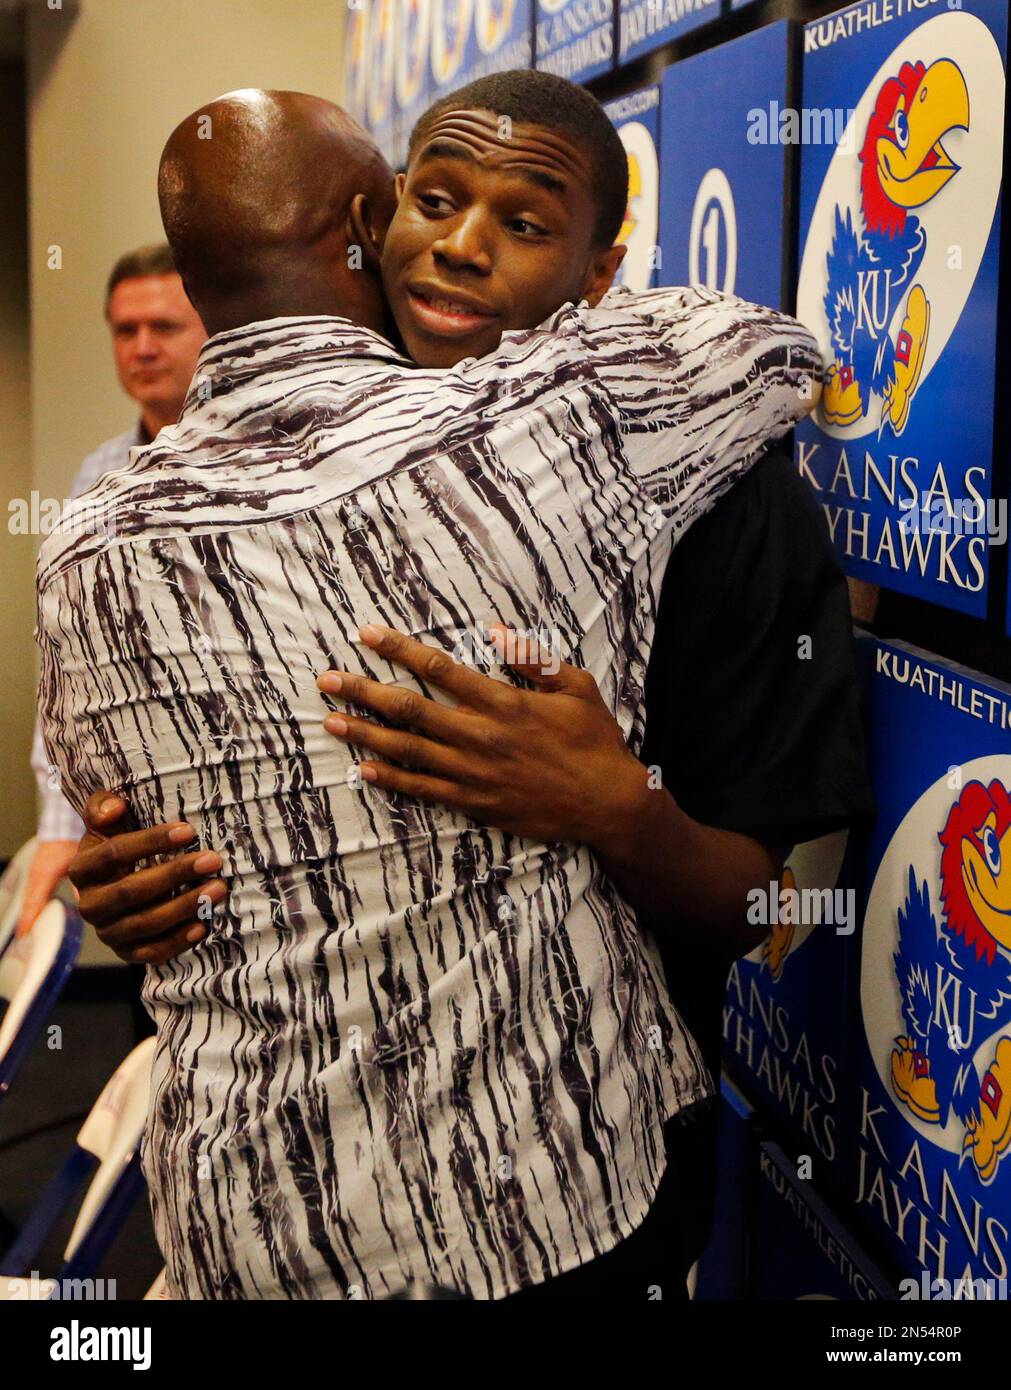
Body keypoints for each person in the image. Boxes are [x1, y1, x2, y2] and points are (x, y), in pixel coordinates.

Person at [37, 78, 820, 1300]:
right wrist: (124, 878)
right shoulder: (224, 487)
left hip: (580, 1191)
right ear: (370, 219)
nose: (459, 244)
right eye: (435, 199)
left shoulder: (716, 494)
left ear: (600, 278)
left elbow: (763, 906)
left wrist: (617, 809)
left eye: (523, 221)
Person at [19, 245, 206, 937]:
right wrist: (58, 825)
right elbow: (70, 662)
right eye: (126, 331)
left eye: (164, 326)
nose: (143, 347)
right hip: (136, 813)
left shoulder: (264, 450)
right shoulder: (99, 472)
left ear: (210, 328)